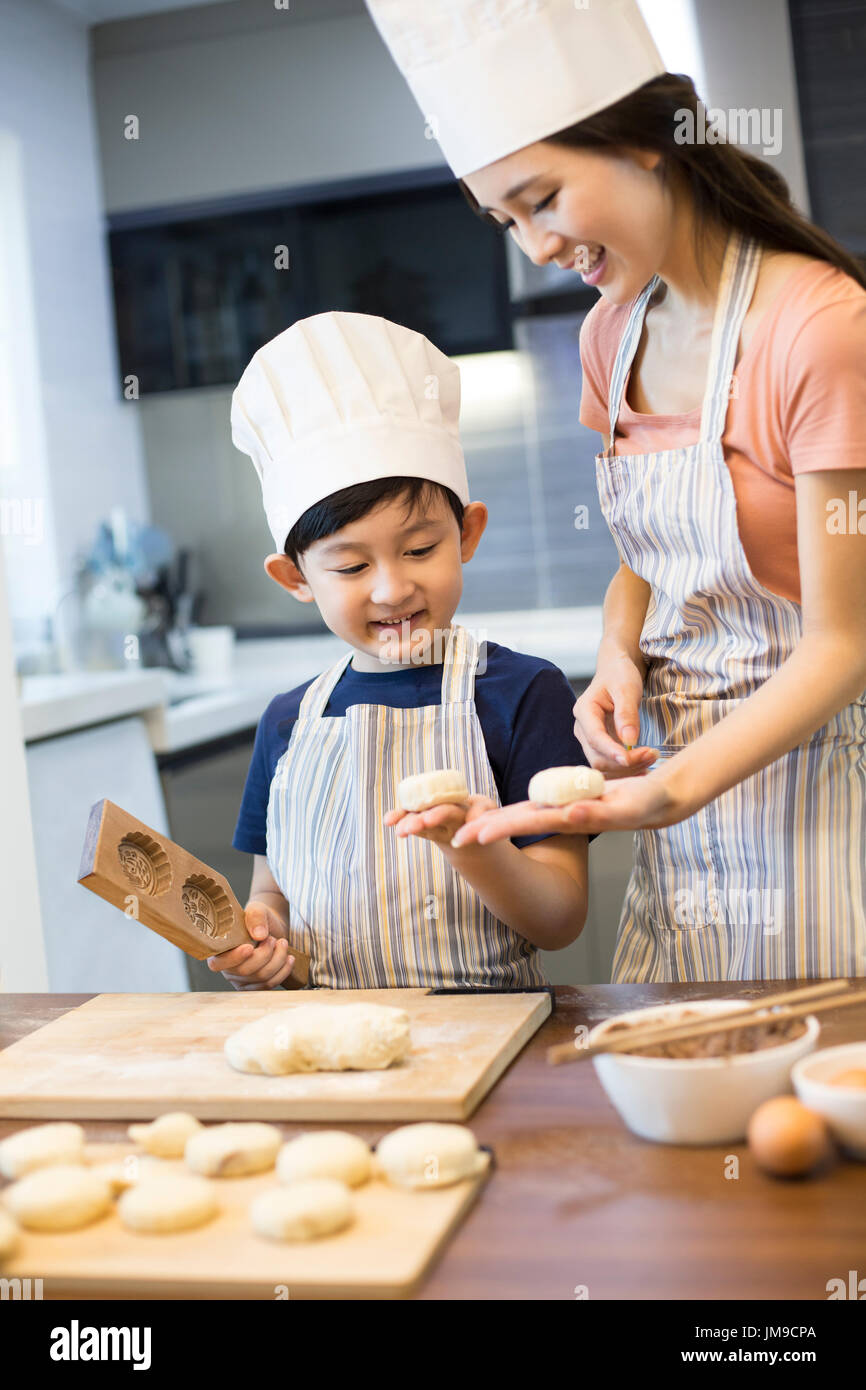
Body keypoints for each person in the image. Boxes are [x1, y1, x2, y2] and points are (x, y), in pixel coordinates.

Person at [365, 0, 866, 980]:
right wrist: (613, 657)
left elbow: (842, 644)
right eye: (503, 220)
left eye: (541, 198)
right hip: (681, 829)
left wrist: (668, 791)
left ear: (644, 141)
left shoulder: (816, 330)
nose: (536, 248)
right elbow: (646, 562)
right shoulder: (610, 335)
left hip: (820, 798)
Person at [209, 310, 594, 991]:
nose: (392, 587)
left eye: (420, 549)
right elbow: (272, 897)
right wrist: (261, 942)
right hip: (333, 1050)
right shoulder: (287, 723)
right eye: (351, 568)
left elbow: (560, 919)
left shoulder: (523, 694)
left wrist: (470, 847)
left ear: (467, 534)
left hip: (493, 1044)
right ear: (295, 578)